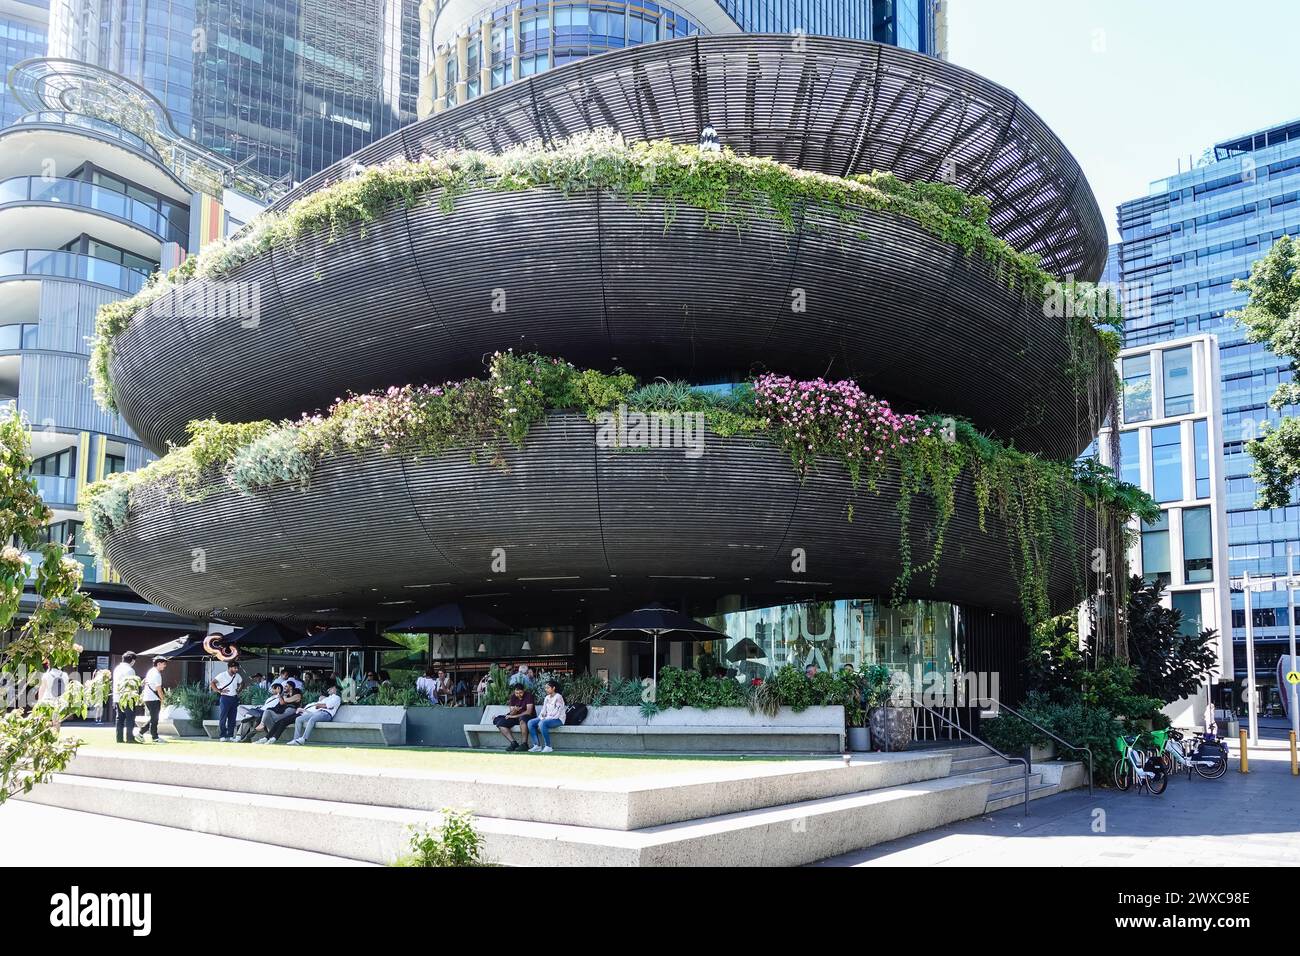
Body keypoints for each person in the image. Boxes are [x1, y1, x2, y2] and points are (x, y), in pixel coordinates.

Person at [526, 680, 567, 753]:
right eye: (545, 688)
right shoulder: (547, 697)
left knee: (542, 723)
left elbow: (557, 713)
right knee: (530, 722)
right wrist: (542, 716)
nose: (546, 689)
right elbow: (543, 710)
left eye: (548, 688)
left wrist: (543, 719)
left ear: (553, 688)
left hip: (558, 719)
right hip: (547, 718)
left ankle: (548, 746)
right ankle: (537, 745)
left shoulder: (558, 697)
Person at [493, 683, 536, 751]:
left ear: (523, 691)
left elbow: (529, 711)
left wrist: (515, 716)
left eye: (520, 693)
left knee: (522, 720)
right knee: (500, 724)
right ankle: (513, 743)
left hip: (528, 717)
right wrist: (515, 710)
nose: (518, 695)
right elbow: (512, 713)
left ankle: (524, 744)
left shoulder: (529, 696)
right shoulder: (513, 697)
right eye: (516, 693)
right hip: (515, 717)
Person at [209, 659, 244, 741]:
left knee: (232, 718)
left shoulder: (237, 676)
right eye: (235, 668)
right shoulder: (222, 675)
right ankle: (222, 736)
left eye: (237, 668)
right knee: (223, 717)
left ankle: (230, 735)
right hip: (225, 698)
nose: (236, 669)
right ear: (229, 668)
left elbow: (242, 683)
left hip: (234, 698)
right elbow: (212, 683)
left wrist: (239, 690)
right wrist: (219, 690)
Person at [112, 652, 140, 744]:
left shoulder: (117, 668)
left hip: (117, 696)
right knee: (130, 718)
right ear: (132, 660)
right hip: (128, 696)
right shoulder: (130, 670)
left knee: (119, 718)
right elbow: (132, 684)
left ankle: (119, 738)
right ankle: (130, 738)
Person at [140, 657, 169, 743]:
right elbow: (158, 689)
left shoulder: (150, 671)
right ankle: (153, 737)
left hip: (148, 697)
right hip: (153, 698)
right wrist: (163, 699)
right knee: (154, 719)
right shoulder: (157, 674)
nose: (165, 666)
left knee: (154, 718)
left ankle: (143, 733)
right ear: (159, 663)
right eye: (164, 664)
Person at [37, 659, 69, 730]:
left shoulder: (46, 675)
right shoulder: (65, 675)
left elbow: (42, 689)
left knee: (45, 722)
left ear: (49, 664)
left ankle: (46, 738)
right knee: (57, 722)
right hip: (60, 703)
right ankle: (55, 738)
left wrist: (39, 702)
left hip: (47, 702)